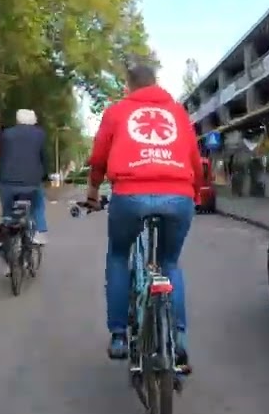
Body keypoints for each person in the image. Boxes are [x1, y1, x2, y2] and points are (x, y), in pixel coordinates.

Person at [86, 59, 202, 367]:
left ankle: (119, 336)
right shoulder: (178, 113)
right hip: (178, 195)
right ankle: (179, 338)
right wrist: (196, 193)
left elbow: (99, 157)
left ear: (128, 87)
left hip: (130, 195)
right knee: (169, 262)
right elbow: (194, 158)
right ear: (155, 83)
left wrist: (93, 191)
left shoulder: (117, 111)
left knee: (118, 255)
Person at [0, 109, 49, 258]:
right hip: (32, 182)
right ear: (33, 120)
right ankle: (40, 232)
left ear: (17, 120)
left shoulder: (5, 134)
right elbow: (44, 157)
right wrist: (45, 175)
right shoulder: (39, 134)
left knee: (7, 214)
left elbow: (1, 157)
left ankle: (2, 243)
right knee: (38, 205)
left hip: (8, 183)